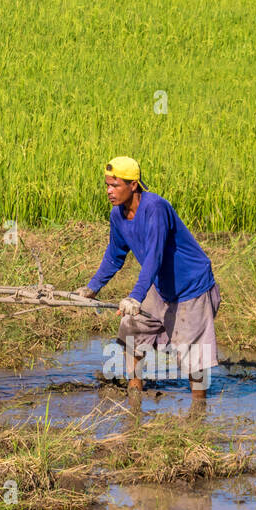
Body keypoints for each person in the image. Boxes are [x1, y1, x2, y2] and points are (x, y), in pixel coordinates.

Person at [79, 157, 220, 402]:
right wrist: (92, 288)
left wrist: (135, 296)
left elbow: (155, 254)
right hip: (161, 284)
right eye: (107, 185)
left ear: (133, 185)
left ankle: (199, 406)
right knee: (131, 327)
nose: (109, 191)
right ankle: (135, 390)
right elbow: (114, 254)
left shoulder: (156, 207)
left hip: (190, 286)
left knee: (192, 351)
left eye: (115, 185)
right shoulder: (117, 215)